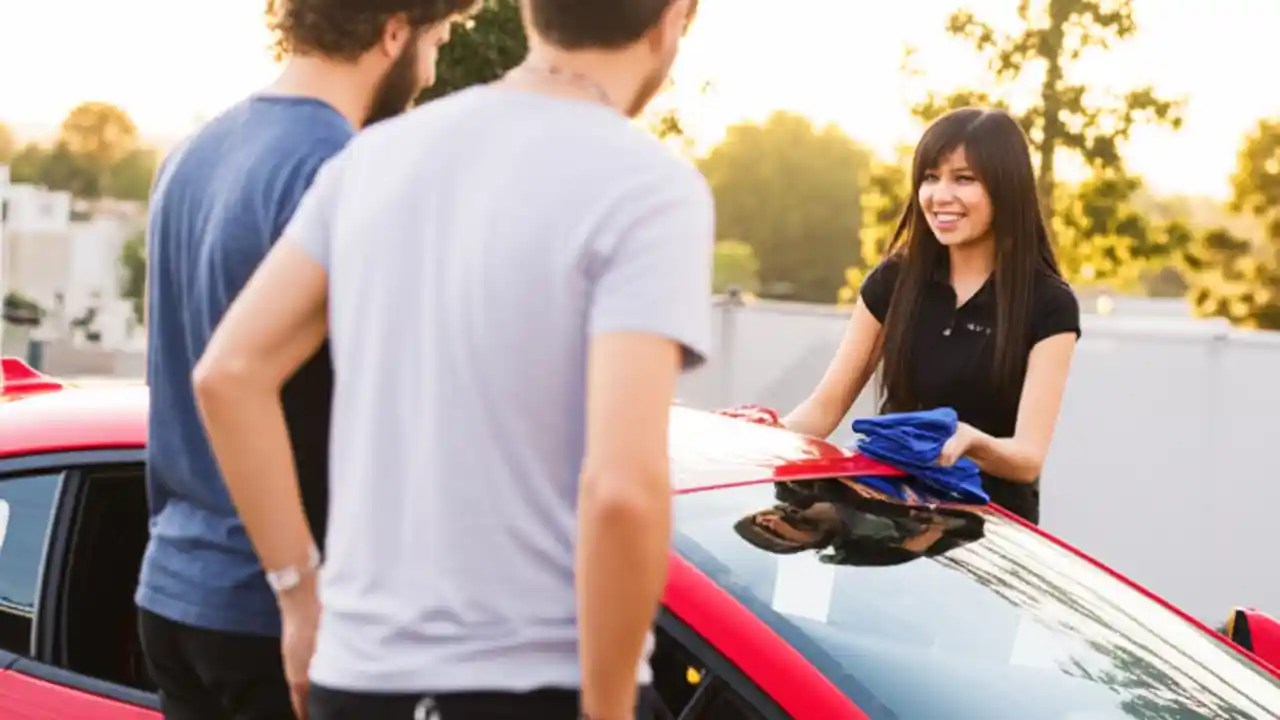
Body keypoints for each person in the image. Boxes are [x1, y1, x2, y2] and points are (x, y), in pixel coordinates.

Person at [191, 0, 710, 718]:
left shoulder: (377, 154)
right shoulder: (647, 187)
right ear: (673, 19)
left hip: (358, 679)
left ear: (531, 12)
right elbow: (622, 488)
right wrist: (611, 706)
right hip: (533, 683)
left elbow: (229, 373)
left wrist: (299, 598)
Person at [136, 2, 469, 717]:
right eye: (437, 40)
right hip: (289, 621)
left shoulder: (191, 154)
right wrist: (301, 596)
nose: (433, 66)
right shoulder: (344, 170)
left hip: (175, 598)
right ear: (393, 32)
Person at [780, 107, 1081, 526]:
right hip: (887, 523)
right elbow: (821, 413)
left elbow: (1027, 459)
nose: (939, 195)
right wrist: (754, 438)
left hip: (989, 538)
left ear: (1005, 188)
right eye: (929, 177)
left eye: (964, 179)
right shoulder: (893, 281)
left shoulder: (1049, 303)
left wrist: (972, 442)